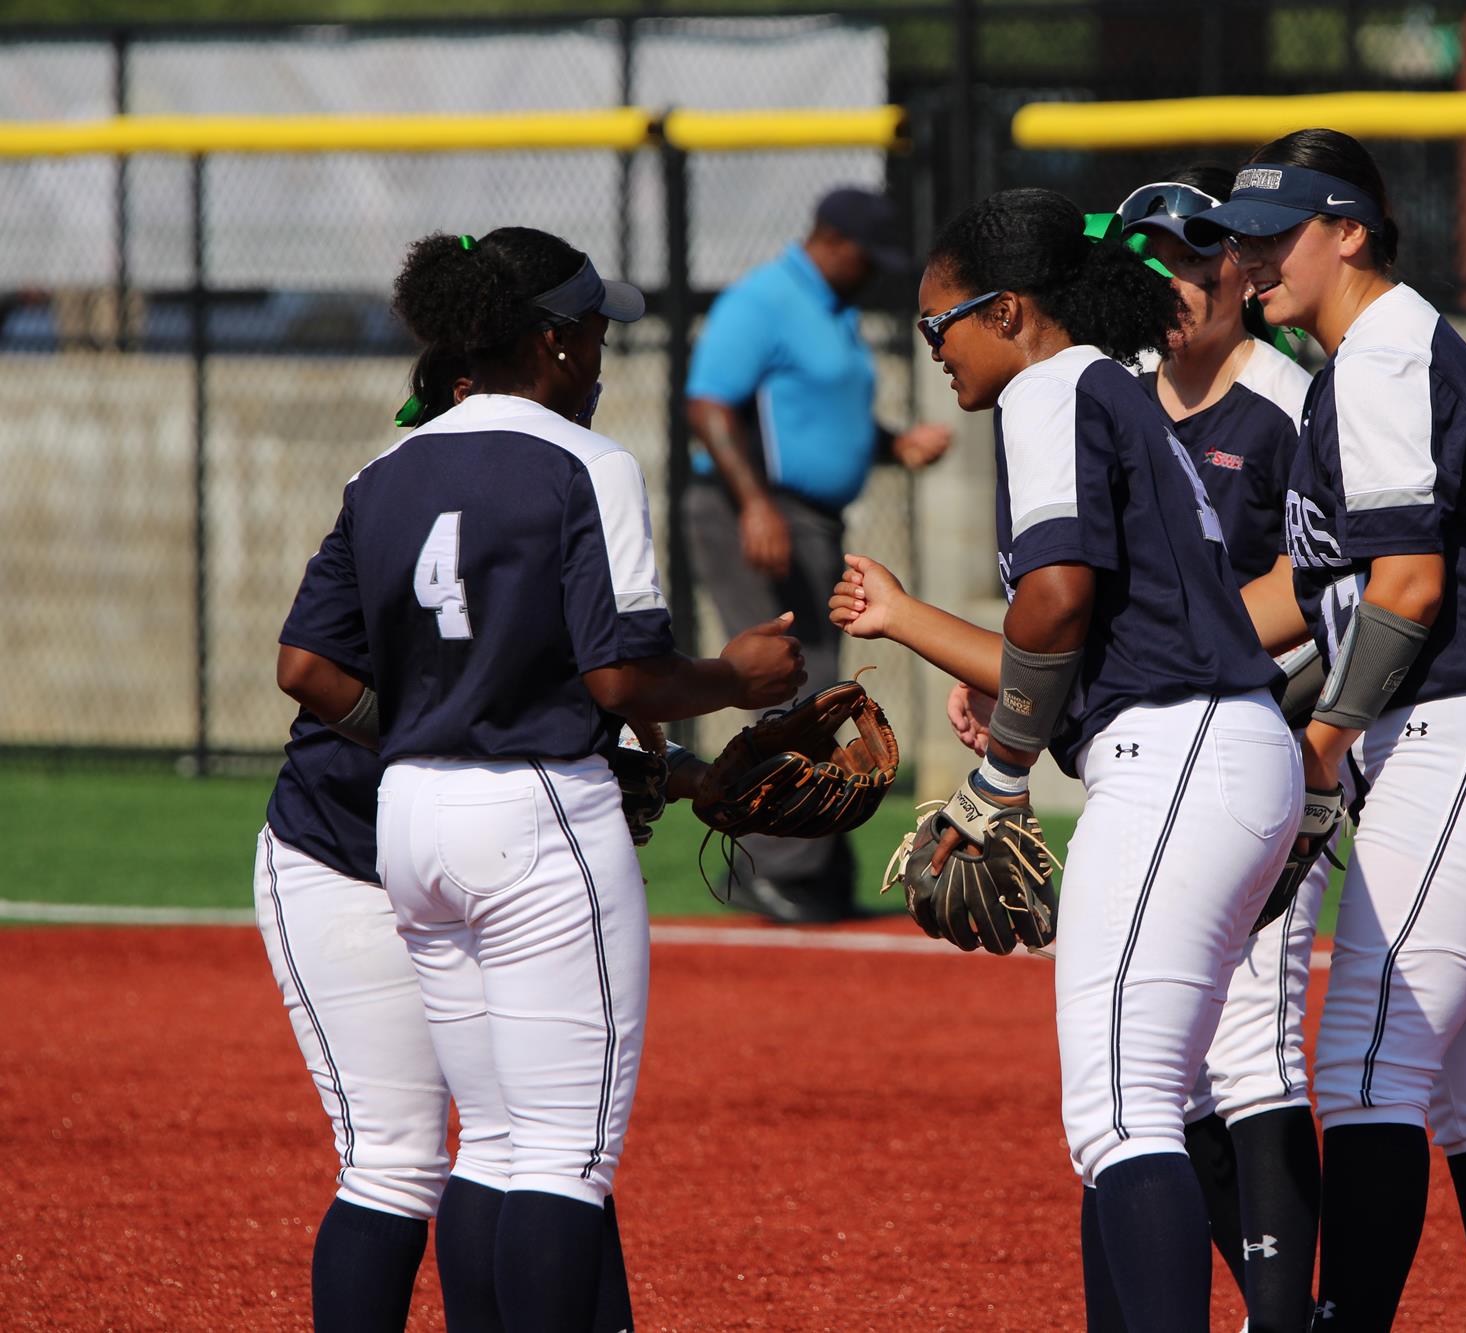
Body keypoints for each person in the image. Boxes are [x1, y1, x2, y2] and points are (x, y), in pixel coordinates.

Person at [274, 226, 805, 1329]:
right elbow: (618, 675)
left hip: (410, 821)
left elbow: (308, 666)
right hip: (532, 816)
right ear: (554, 344)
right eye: (596, 335)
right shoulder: (584, 463)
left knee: (497, 1136)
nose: (603, 359)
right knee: (560, 1156)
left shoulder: (383, 471)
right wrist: (734, 676)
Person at [828, 186, 1303, 1333]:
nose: (931, 349)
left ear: (1009, 309)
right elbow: (1069, 626)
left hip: (1178, 752)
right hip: (1217, 749)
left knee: (1117, 1114)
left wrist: (999, 778)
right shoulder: (1112, 392)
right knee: (1149, 1100)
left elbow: (1053, 600)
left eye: (941, 324)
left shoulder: (1049, 388)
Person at [1185, 131, 1466, 1332]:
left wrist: (1323, 742)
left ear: (1349, 232)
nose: (1250, 261)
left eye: (1275, 236)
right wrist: (1107, 667)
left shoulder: (1376, 357)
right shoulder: (1365, 361)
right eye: (1239, 240)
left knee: (1365, 1071)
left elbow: (1409, 589)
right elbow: (1295, 593)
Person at [255, 348, 675, 1332]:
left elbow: (559, 708)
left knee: (503, 1143)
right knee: (455, 1155)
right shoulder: (542, 488)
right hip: (342, 850)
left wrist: (690, 776)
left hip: (404, 840)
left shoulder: (406, 491)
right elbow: (307, 666)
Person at [685, 185, 954, 924]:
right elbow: (708, 404)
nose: (873, 274)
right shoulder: (764, 299)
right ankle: (782, 870)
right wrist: (756, 503)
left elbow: (820, 414)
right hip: (756, 513)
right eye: (867, 259)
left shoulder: (831, 311)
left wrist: (892, 443)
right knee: (790, 684)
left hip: (807, 518)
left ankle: (818, 863)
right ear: (833, 241)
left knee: (821, 687)